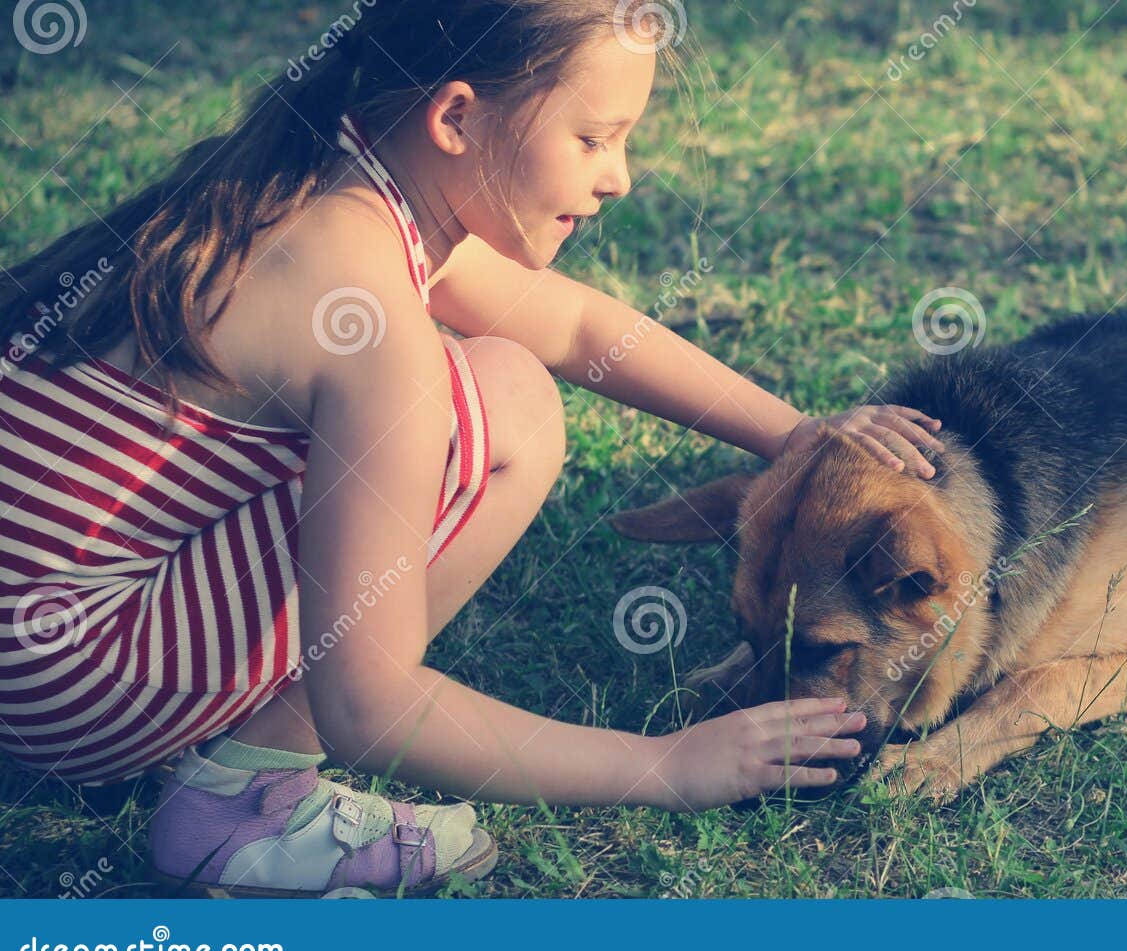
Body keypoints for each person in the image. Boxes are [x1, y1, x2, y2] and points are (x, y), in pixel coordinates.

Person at [0, 0, 942, 897]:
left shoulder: (319, 189)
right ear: (457, 116)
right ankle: (246, 797)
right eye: (593, 138)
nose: (619, 176)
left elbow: (575, 327)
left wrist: (799, 433)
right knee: (506, 407)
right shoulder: (370, 323)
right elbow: (368, 708)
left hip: (33, 637)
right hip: (73, 676)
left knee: (504, 377)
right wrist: (666, 764)